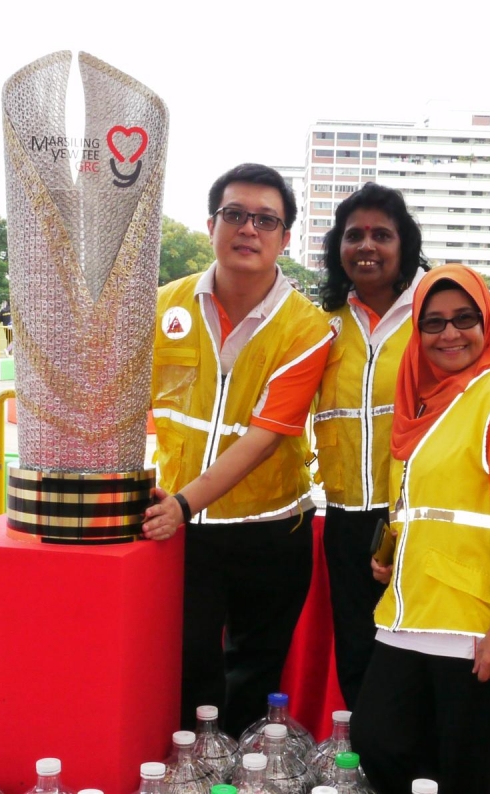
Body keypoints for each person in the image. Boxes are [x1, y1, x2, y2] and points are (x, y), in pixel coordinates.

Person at [350, 264, 490, 794]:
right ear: (417, 332)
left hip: (474, 621)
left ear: (486, 324)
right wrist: (390, 550)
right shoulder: (423, 404)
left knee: (460, 767)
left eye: (464, 319)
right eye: (434, 322)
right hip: (412, 607)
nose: (449, 334)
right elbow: (419, 503)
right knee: (378, 739)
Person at [142, 163, 334, 737]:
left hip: (271, 529)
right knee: (187, 669)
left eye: (265, 219)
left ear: (284, 237)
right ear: (211, 224)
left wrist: (183, 503)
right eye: (235, 214)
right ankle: (194, 771)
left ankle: (245, 774)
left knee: (253, 674)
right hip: (184, 532)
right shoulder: (161, 307)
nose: (248, 229)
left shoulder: (307, 328)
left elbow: (263, 436)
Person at [314, 182, 429, 709]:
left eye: (381, 235)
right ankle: (365, 771)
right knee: (357, 655)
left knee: (416, 656)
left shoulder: (435, 318)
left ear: (404, 244)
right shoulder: (323, 326)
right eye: (354, 234)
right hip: (347, 521)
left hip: (417, 518)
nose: (367, 246)